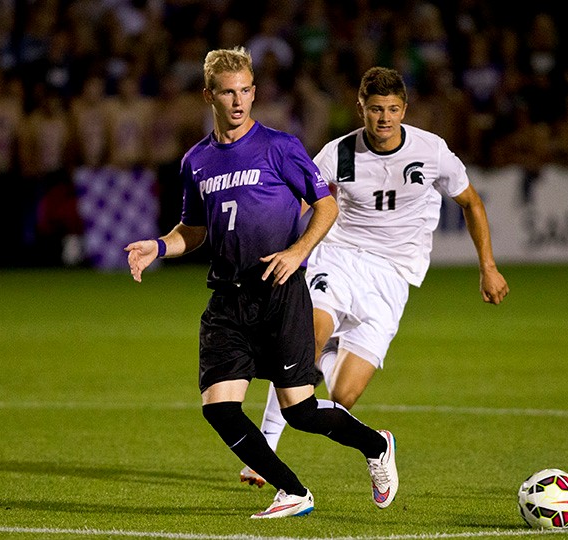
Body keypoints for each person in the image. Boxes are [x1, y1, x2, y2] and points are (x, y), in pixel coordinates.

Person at [125, 47, 398, 519]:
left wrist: (297, 252)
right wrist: (159, 246)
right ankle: (292, 491)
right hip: (228, 300)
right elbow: (193, 230)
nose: (238, 101)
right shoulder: (196, 161)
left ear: (254, 92)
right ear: (208, 95)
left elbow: (326, 205)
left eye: (246, 91)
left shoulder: (279, 147)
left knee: (301, 412)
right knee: (219, 409)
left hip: (278, 292)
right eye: (228, 93)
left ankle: (376, 444)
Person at [241, 66, 509, 486]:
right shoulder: (337, 154)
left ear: (404, 109)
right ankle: (266, 449)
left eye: (392, 109)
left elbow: (472, 203)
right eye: (375, 110)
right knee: (304, 337)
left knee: (343, 395)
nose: (384, 119)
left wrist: (488, 268)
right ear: (360, 108)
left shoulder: (431, 150)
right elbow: (302, 202)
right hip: (339, 256)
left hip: (394, 273)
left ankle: (330, 365)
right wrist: (281, 245)